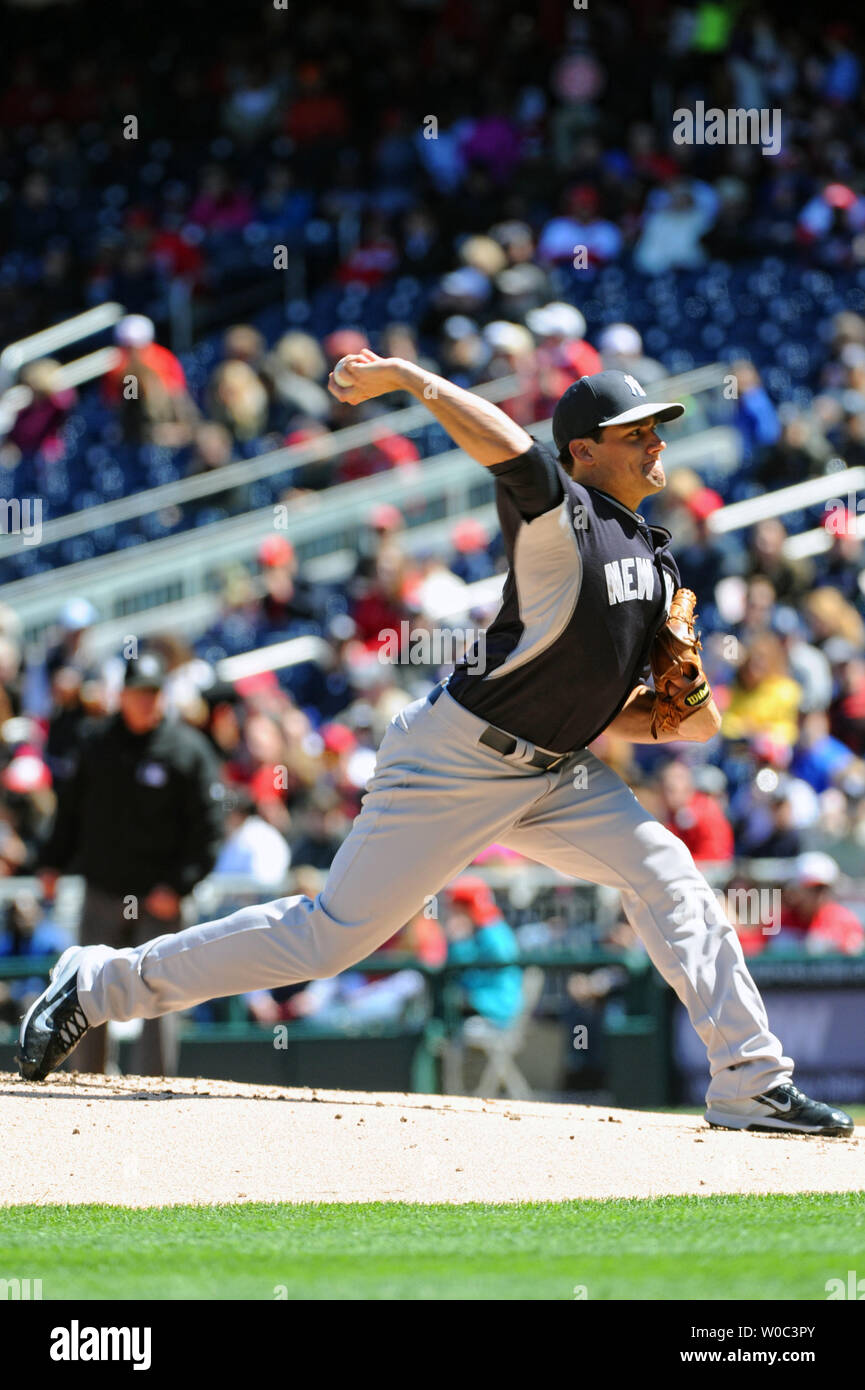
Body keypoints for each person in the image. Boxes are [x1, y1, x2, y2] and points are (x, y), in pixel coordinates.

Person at [18, 361, 853, 1137]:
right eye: (637, 431)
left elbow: (655, 720)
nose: (657, 440)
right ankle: (97, 983)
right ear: (584, 452)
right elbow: (509, 449)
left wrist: (689, 712)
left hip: (554, 772)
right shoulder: (562, 520)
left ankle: (748, 1079)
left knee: (666, 872)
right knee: (327, 939)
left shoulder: (654, 558)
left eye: (657, 428)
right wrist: (409, 380)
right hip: (456, 758)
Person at [33, 652, 225, 1076]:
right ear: (122, 696)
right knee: (87, 987)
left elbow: (210, 829)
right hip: (104, 890)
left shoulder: (187, 749)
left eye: (153, 693)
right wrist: (50, 862)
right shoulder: (95, 744)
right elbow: (69, 811)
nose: (145, 702)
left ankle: (152, 1090)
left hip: (159, 897)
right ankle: (85, 1084)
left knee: (161, 995)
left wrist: (179, 886)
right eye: (138, 693)